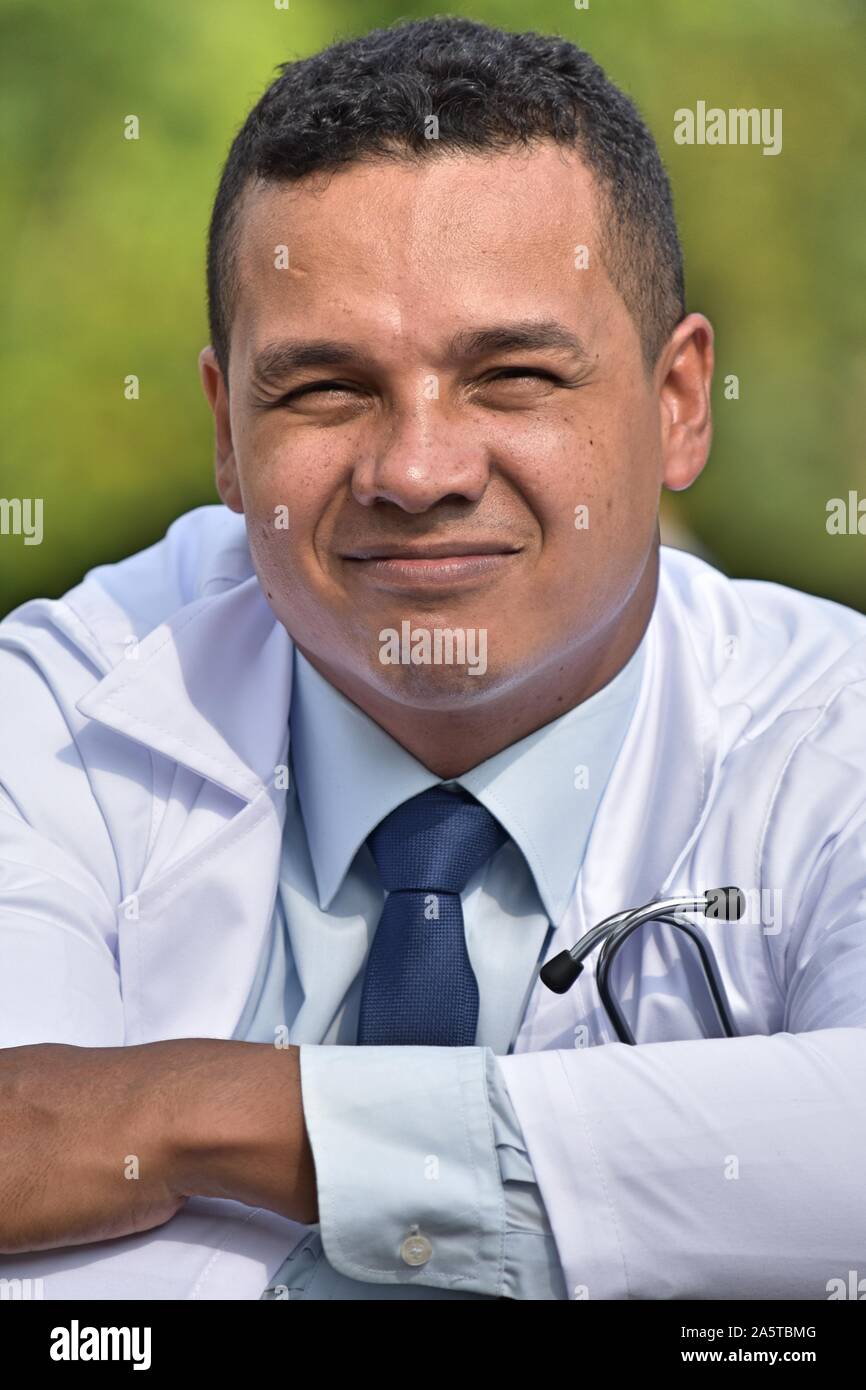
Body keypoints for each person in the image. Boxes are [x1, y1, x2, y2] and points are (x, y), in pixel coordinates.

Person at [1, 16, 865, 1302]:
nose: (415, 472)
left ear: (677, 403)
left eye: (511, 376)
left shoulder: (828, 728)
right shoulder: (72, 695)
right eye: (324, 389)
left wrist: (204, 1107)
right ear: (226, 436)